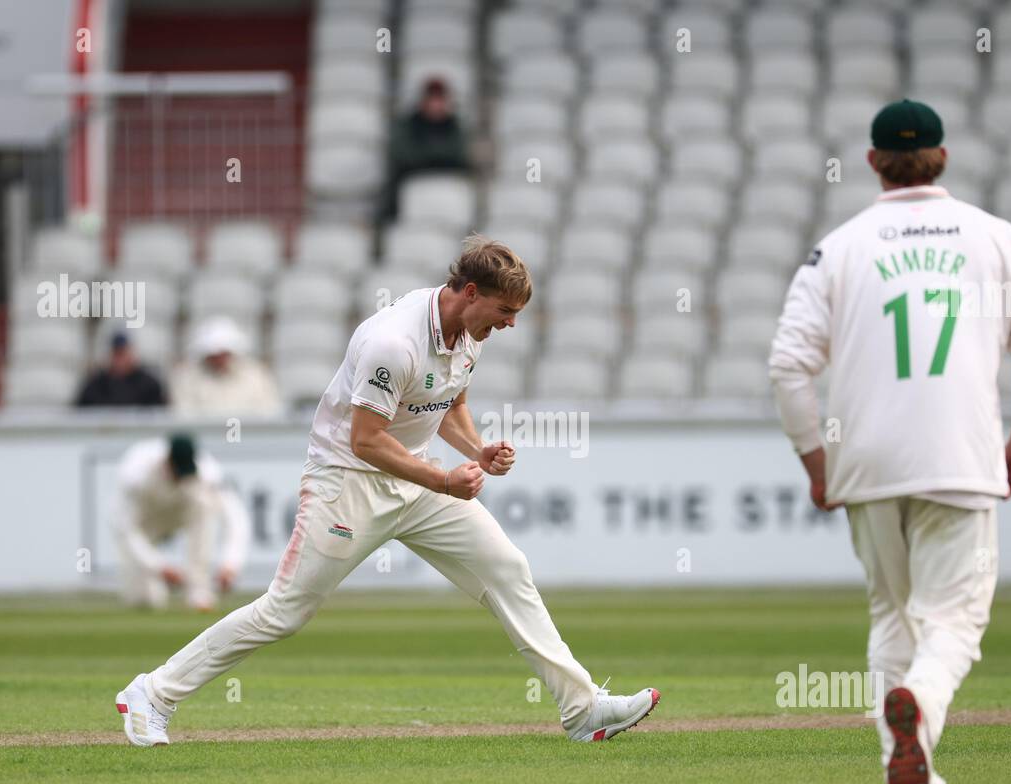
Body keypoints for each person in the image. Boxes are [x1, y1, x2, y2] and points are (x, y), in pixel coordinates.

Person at [115, 237, 658, 746]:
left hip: (413, 477)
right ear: (471, 293)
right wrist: (446, 480)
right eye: (504, 312)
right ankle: (152, 692)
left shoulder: (469, 333)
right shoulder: (392, 342)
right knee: (284, 612)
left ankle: (582, 708)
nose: (510, 324)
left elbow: (448, 404)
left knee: (507, 568)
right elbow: (367, 440)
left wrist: (477, 452)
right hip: (347, 481)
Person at [768, 100, 1011, 784]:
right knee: (955, 621)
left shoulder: (839, 247)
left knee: (892, 619)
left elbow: (786, 368)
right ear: (943, 158)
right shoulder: (994, 238)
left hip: (869, 460)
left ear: (872, 162)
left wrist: (818, 463)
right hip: (961, 454)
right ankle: (921, 707)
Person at [112, 434, 249, 612]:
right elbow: (125, 529)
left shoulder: (207, 471)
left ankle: (199, 591)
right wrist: (159, 566)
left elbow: (235, 517)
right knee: (144, 600)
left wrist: (231, 564)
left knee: (204, 504)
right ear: (168, 463)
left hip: (181, 513)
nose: (182, 479)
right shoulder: (135, 473)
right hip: (145, 523)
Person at [379, 76, 471, 224]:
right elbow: (402, 154)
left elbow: (460, 154)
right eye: (432, 100)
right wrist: (437, 158)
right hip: (411, 174)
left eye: (439, 100)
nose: (436, 105)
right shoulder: (408, 124)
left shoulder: (455, 125)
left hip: (446, 175)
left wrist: (429, 158)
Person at [170, 316, 282, 417]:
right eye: (214, 354)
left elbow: (270, 412)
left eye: (224, 353)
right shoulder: (187, 378)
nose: (219, 358)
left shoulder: (256, 375)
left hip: (247, 437)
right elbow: (183, 416)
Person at [75, 331, 166, 407]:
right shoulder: (95, 386)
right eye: (116, 354)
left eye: (122, 353)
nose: (119, 360)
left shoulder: (149, 385)